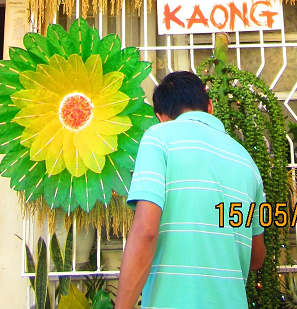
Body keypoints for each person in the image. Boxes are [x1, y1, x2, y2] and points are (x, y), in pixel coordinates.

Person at [114, 70, 266, 309]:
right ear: (210, 106)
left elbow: (146, 231)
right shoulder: (247, 162)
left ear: (161, 116)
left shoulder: (159, 138)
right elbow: (257, 257)